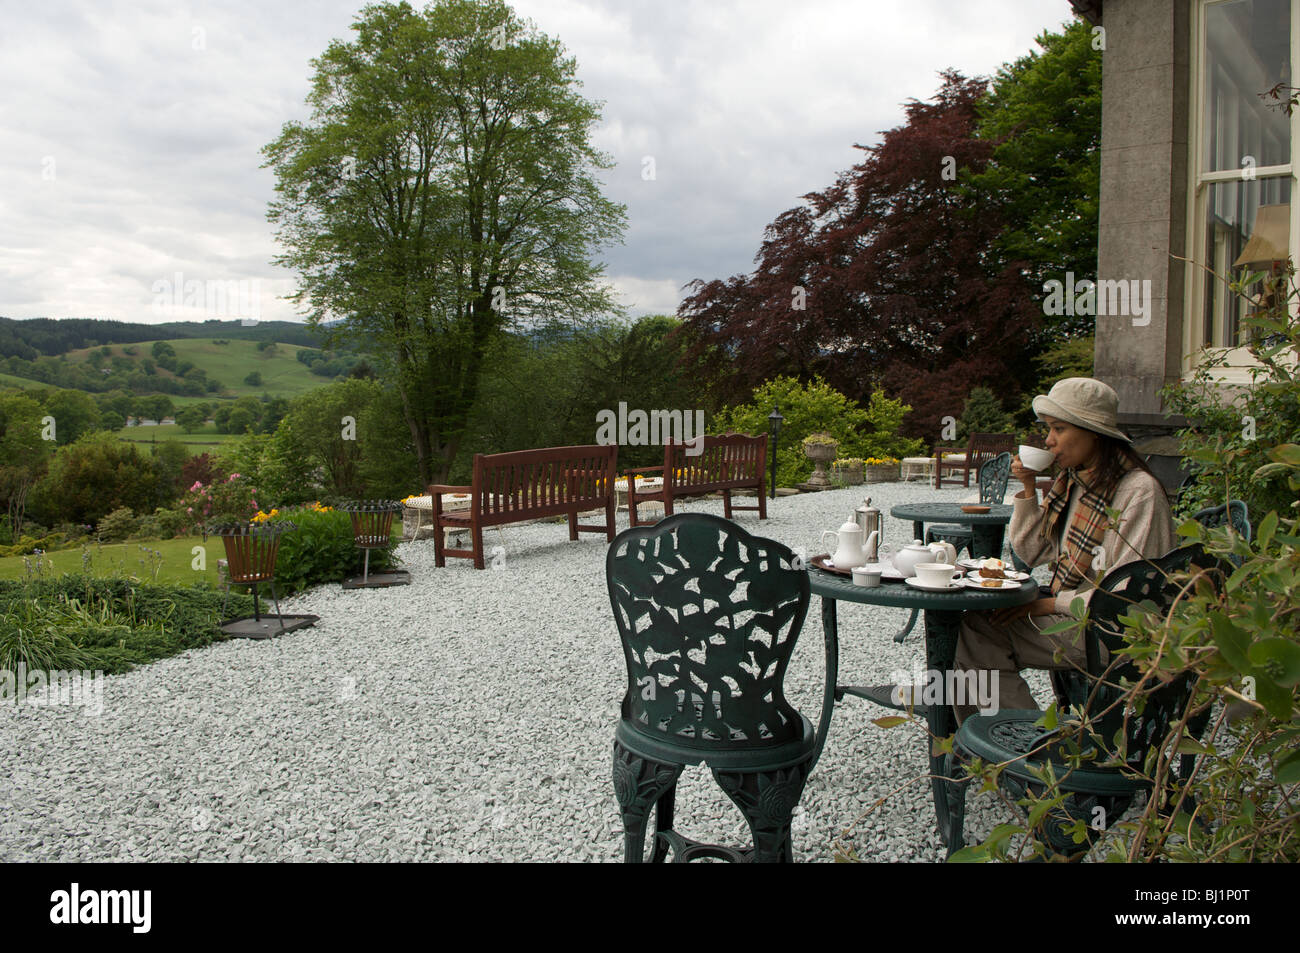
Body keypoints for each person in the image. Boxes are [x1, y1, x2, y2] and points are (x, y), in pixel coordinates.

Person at [953, 377, 1176, 723]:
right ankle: (1013, 737)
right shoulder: (1076, 482)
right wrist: (1028, 488)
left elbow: (1129, 598)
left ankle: (1025, 746)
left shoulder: (1138, 493)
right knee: (977, 621)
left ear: (1093, 433)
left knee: (978, 633)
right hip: (1077, 609)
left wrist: (1047, 604)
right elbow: (1031, 550)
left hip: (1113, 629)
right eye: (1048, 428)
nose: (1048, 440)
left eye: (1058, 428)